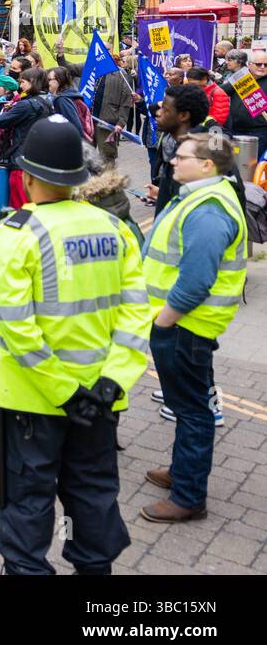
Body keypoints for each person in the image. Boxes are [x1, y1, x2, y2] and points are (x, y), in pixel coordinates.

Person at [0, 116, 150, 575]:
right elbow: (137, 314)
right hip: (100, 399)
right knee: (93, 497)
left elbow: (13, 327)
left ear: (28, 177)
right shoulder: (115, 229)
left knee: (27, 506)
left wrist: (60, 390)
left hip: (31, 403)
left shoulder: (15, 233)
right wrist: (113, 382)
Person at [140, 132, 247, 524]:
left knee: (193, 409)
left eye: (181, 157)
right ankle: (182, 471)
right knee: (186, 404)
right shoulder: (200, 198)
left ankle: (189, 496)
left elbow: (197, 279)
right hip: (183, 324)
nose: (172, 161)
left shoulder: (208, 209)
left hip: (186, 326)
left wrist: (164, 320)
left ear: (206, 165)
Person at [0, 67, 52, 209]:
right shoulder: (46, 102)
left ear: (32, 81)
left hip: (21, 162)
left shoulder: (27, 104)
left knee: (19, 207)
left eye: (23, 82)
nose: (20, 86)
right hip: (38, 159)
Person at [149, 85, 210, 215]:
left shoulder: (194, 159)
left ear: (183, 116)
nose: (158, 113)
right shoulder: (182, 148)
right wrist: (163, 194)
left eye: (165, 110)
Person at [93, 54, 134, 167]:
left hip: (107, 122)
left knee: (107, 157)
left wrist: (121, 122)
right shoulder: (91, 70)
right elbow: (70, 69)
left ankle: (108, 183)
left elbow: (125, 101)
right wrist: (61, 53)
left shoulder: (121, 74)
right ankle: (89, 183)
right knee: (86, 155)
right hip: (88, 121)